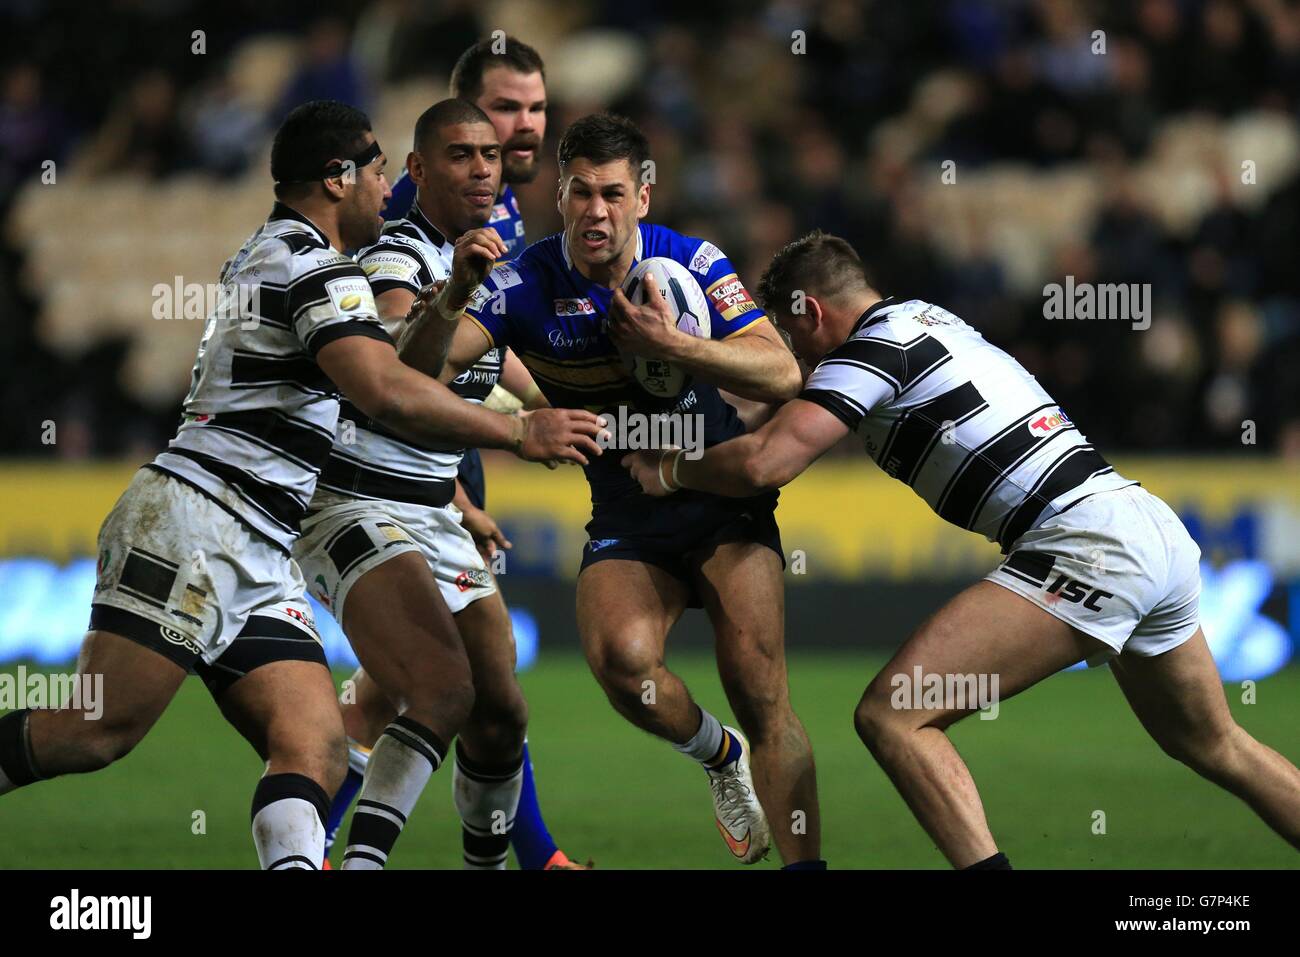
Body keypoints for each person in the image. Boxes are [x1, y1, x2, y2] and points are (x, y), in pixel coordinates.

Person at [0, 99, 602, 869]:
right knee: (93, 732)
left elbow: (373, 394)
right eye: (379, 170)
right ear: (336, 177)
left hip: (257, 545)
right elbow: (383, 387)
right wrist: (517, 430)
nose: (387, 189)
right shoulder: (311, 266)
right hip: (196, 521)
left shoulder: (285, 253)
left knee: (313, 747)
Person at [624, 230, 1300, 868]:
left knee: (895, 716)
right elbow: (783, 400)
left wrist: (672, 469)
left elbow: (766, 462)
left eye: (793, 334)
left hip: (1083, 541)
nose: (795, 357)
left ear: (811, 308)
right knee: (1217, 743)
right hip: (1140, 520)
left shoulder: (873, 350)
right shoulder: (923, 318)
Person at [432, 113, 826, 868]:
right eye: (580, 193)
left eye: (613, 193)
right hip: (625, 508)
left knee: (760, 688)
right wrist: (451, 297)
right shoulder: (521, 281)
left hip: (719, 493)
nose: (596, 212)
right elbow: (422, 374)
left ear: (643, 196)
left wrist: (669, 344)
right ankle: (718, 756)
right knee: (621, 661)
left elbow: (782, 373)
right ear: (559, 193)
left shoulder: (695, 261)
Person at [329, 35, 587, 871]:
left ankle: (511, 858)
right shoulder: (406, 230)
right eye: (501, 112)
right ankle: (316, 840)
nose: (517, 134)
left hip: (437, 470)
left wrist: (553, 401)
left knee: (490, 699)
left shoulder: (496, 211)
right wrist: (516, 431)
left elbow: (490, 341)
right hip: (375, 481)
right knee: (424, 691)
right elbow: (408, 365)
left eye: (533, 111)